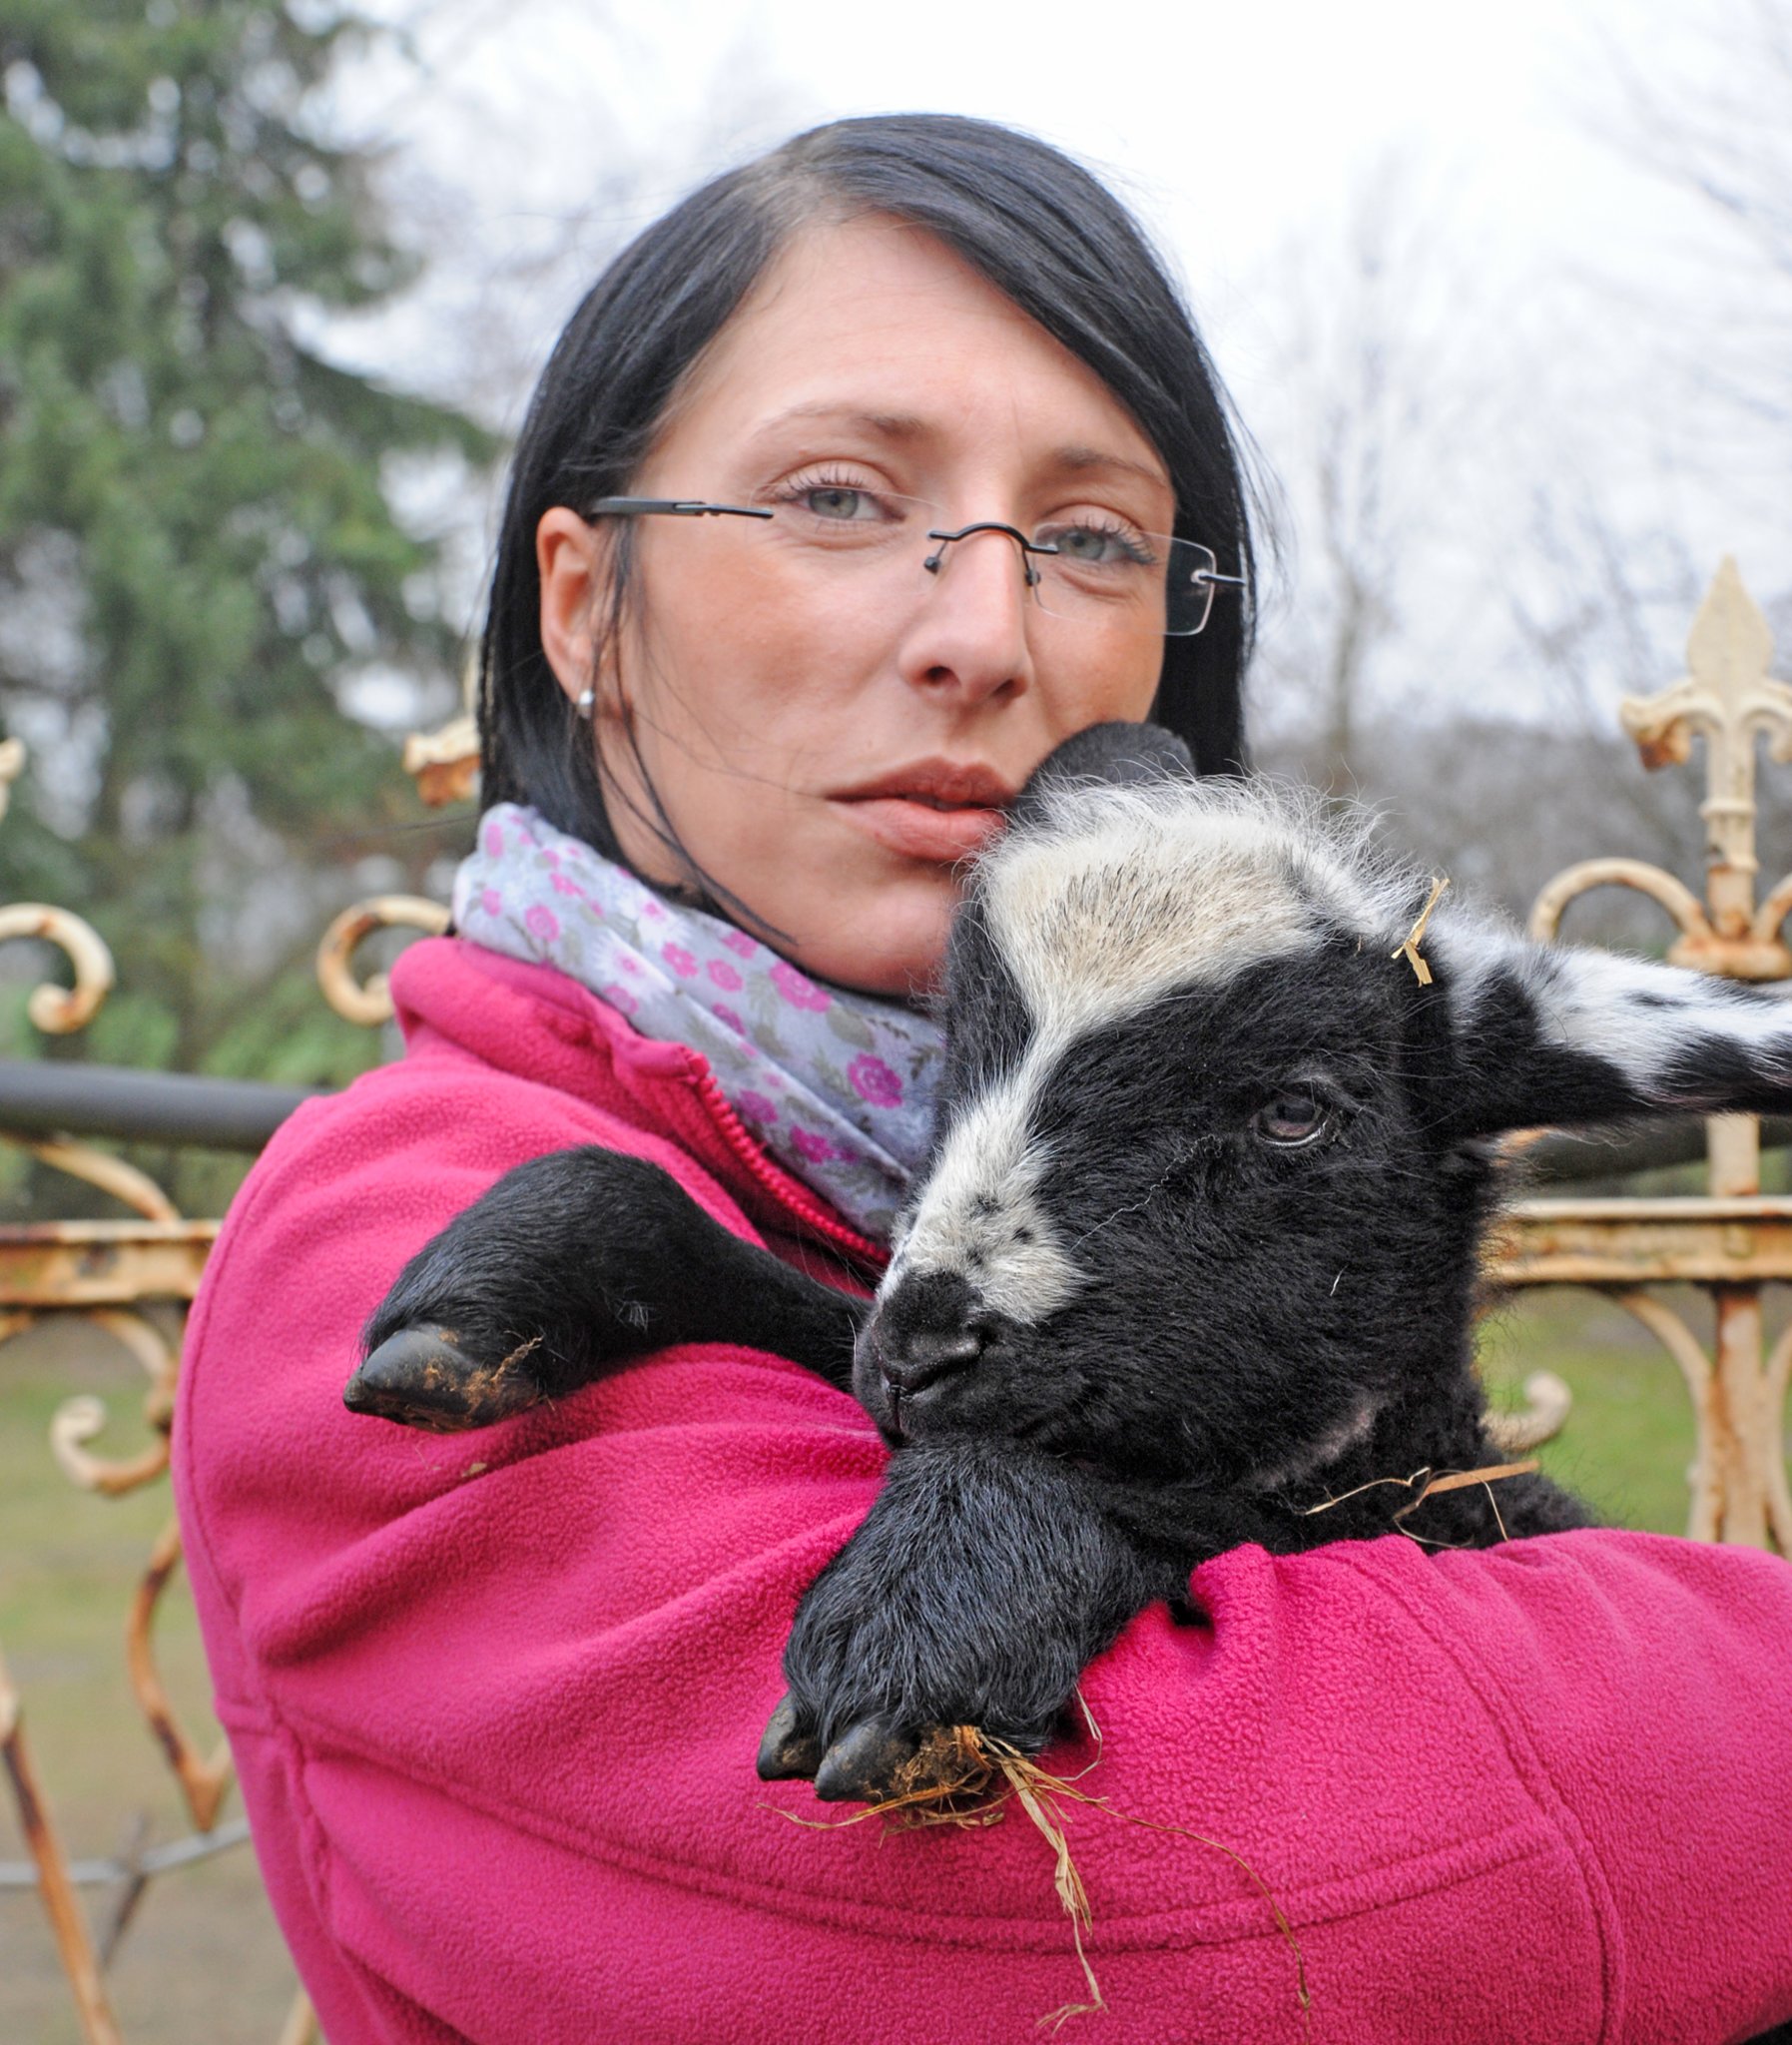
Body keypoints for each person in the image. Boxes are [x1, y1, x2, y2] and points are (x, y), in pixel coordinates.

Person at [173, 115, 1792, 2045]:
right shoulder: (391, 1226)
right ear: (585, 604)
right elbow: (1199, 1913)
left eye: (1093, 539)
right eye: (842, 499)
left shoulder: (1215, 1146)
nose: (989, 633)